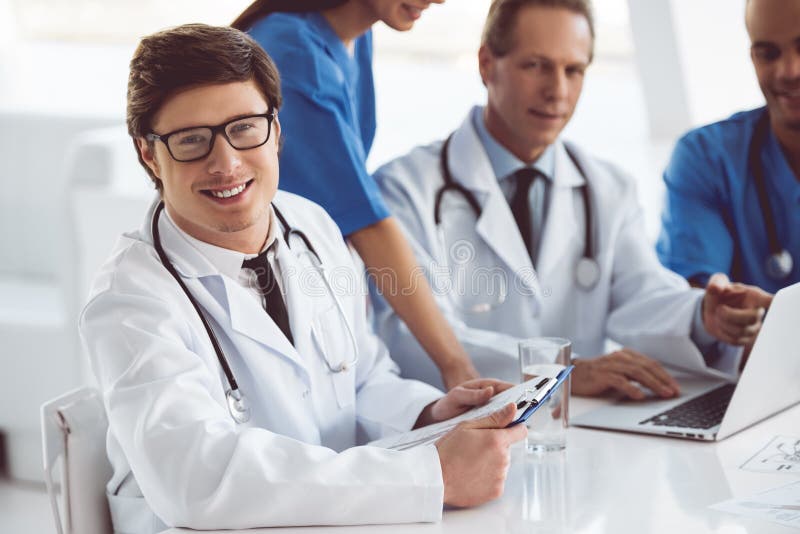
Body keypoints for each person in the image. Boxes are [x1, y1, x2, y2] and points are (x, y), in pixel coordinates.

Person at [79, 24, 527, 533]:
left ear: (276, 128)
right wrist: (433, 475)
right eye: (191, 141)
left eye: (244, 127)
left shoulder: (310, 225)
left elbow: (360, 375)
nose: (225, 162)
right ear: (148, 154)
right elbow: (198, 481)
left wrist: (430, 413)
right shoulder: (130, 301)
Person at [370, 0, 773, 394]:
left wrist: (703, 316)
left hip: (581, 432)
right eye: (536, 66)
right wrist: (559, 372)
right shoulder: (405, 188)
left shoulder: (608, 187)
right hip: (458, 436)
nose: (557, 91)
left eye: (573, 70)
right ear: (486, 64)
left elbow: (640, 296)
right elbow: (407, 338)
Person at [230, 1, 481, 390]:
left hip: (314, 280)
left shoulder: (355, 37)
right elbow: (367, 222)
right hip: (260, 294)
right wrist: (457, 367)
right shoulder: (293, 50)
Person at [657, 0, 800, 294]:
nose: (789, 71)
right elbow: (693, 302)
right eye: (768, 54)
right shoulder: (706, 159)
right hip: (751, 343)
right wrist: (716, 313)